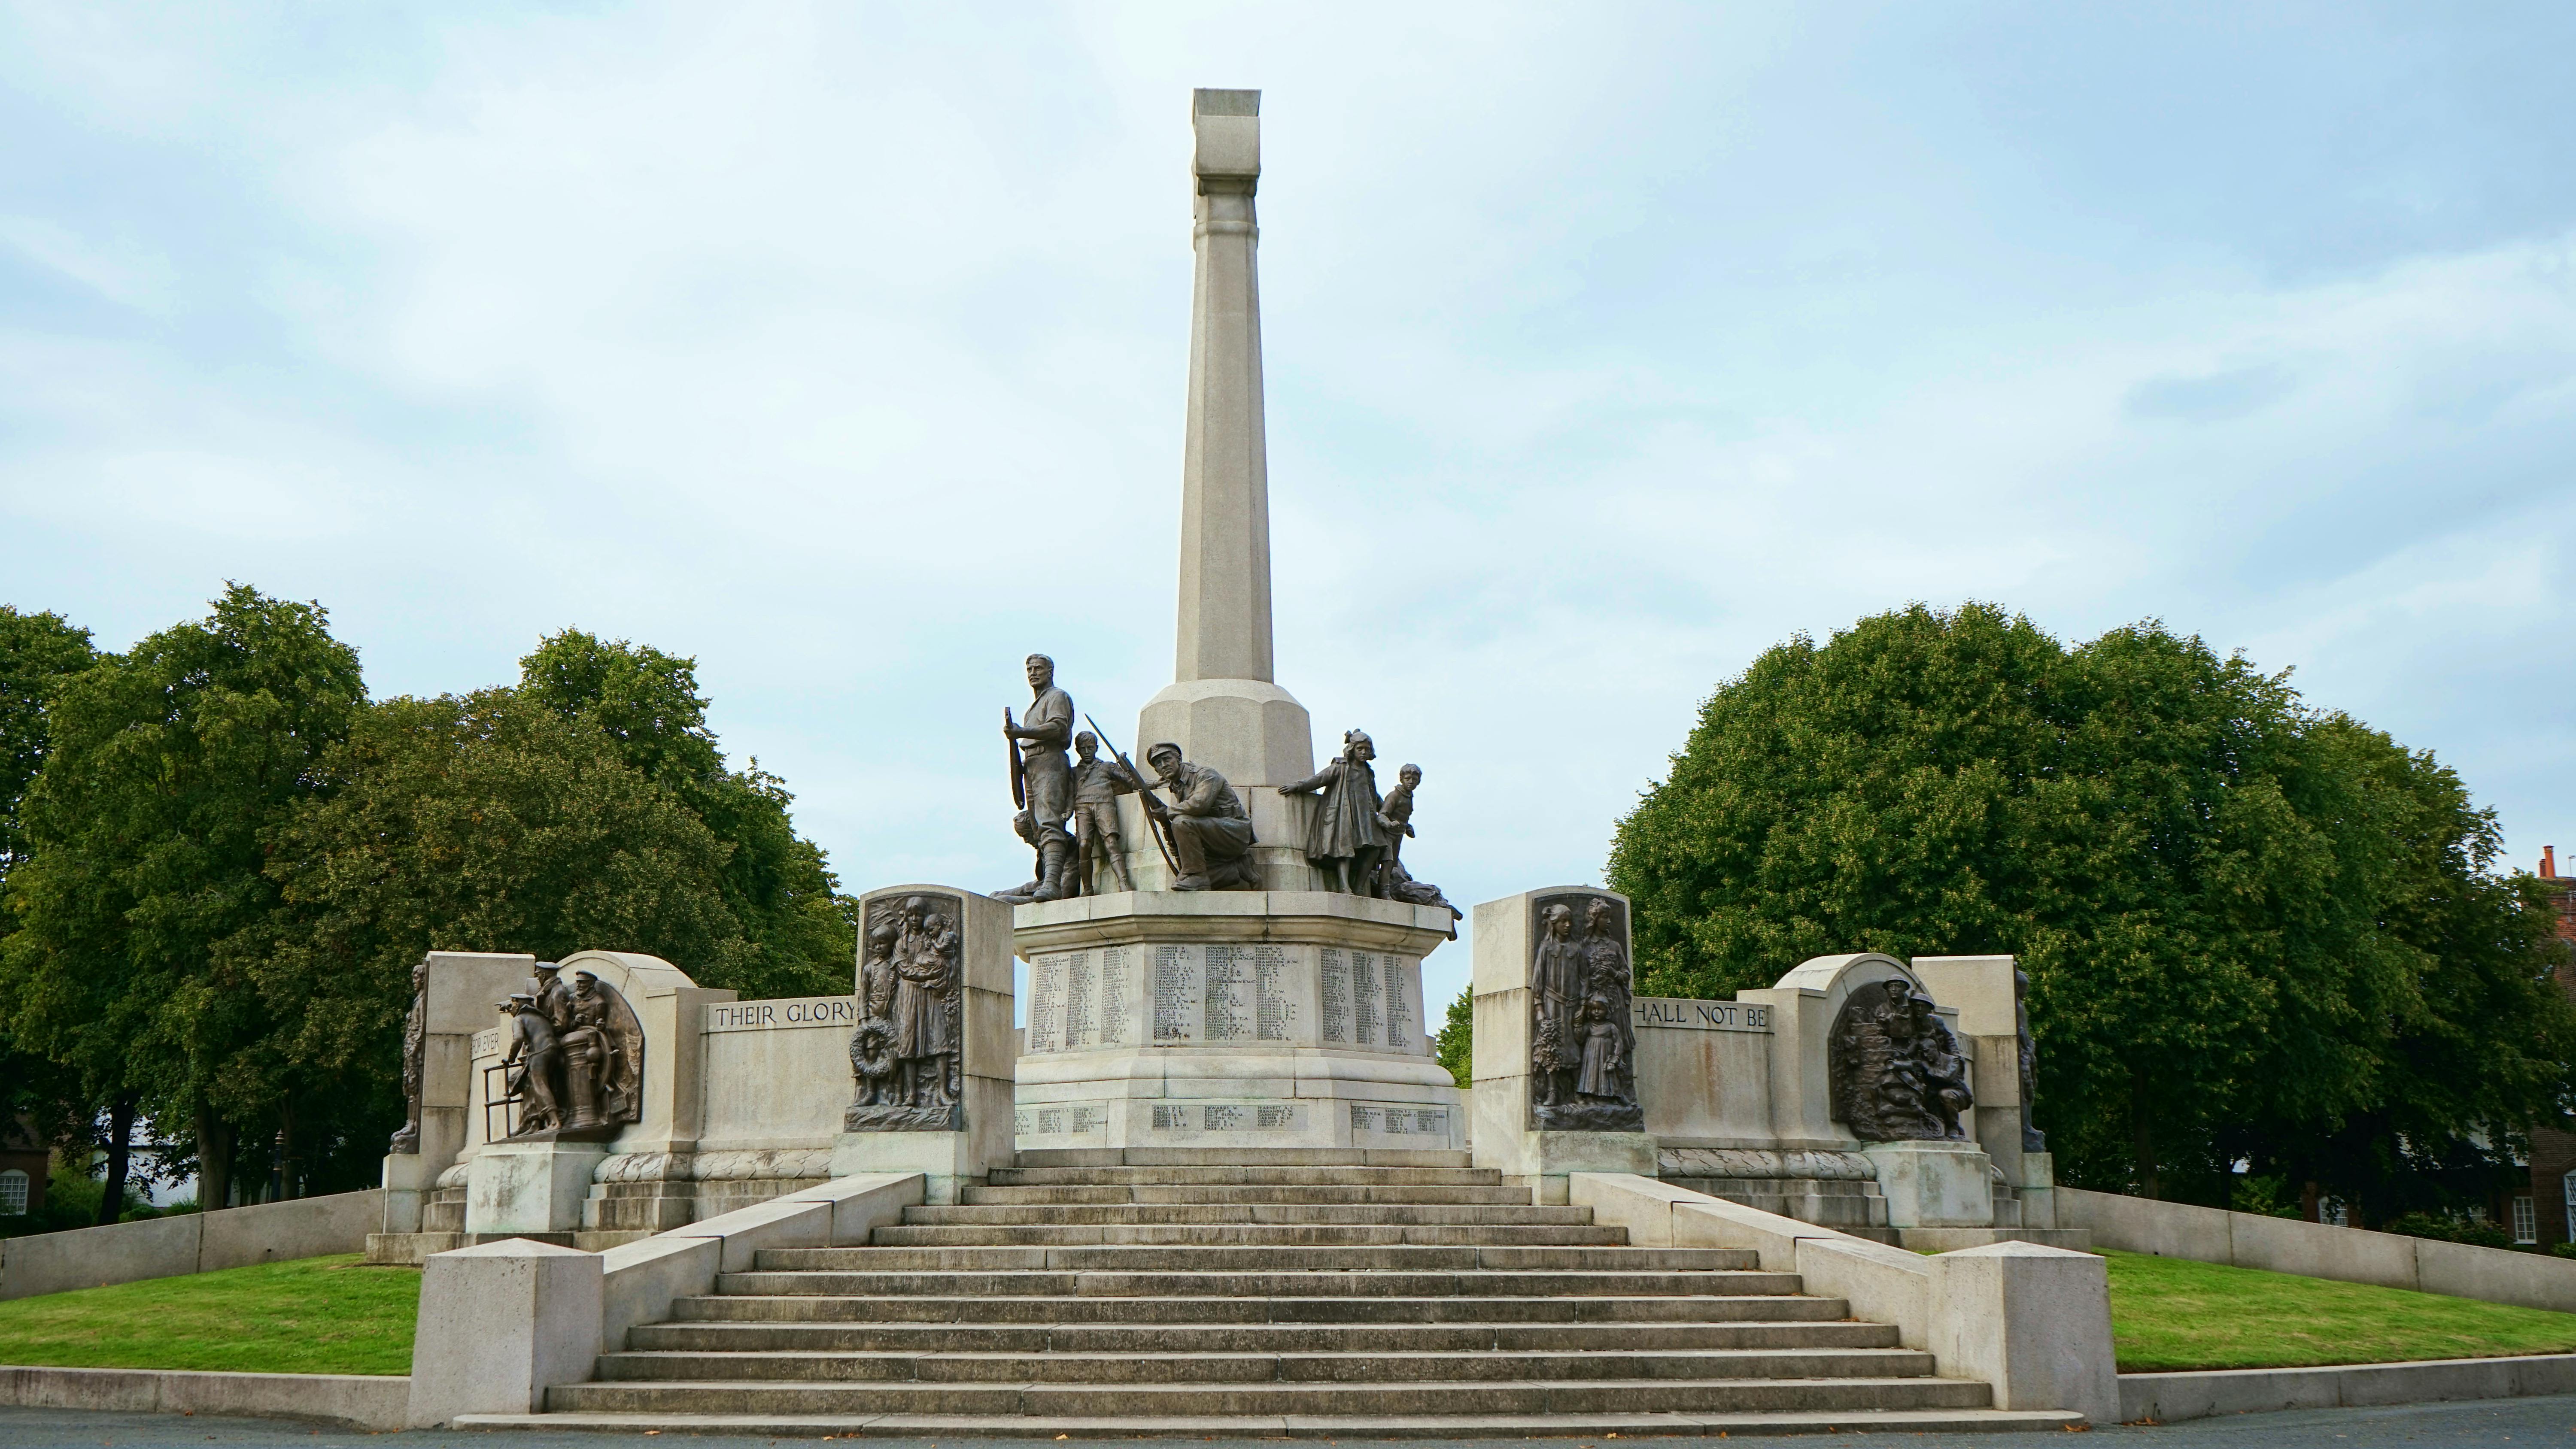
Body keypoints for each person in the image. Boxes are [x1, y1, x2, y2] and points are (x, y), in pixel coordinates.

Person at [1002, 654, 1078, 901]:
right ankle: (1047, 879)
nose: (1033, 673)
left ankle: (1053, 884)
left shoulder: (1058, 697)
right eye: (1029, 669)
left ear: (1050, 672)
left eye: (1038, 669)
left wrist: (1021, 732)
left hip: (1050, 761)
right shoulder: (1032, 708)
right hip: (1033, 765)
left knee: (1049, 822)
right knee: (1036, 826)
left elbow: (1058, 728)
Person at [1279, 729, 1386, 894]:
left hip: (1366, 817)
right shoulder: (1341, 767)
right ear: (1352, 749)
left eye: (1367, 749)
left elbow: (1374, 795)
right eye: (1360, 749)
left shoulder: (1368, 772)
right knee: (1345, 847)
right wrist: (1298, 786)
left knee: (1376, 849)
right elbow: (1319, 779)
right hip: (1346, 813)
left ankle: (1359, 886)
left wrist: (1386, 810)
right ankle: (1345, 886)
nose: (1364, 752)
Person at [1142, 743, 1256, 890]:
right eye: (1158, 763)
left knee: (1181, 823)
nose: (1163, 765)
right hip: (1212, 836)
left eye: (1167, 759)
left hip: (1234, 833)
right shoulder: (1177, 784)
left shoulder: (1205, 774)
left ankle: (1197, 877)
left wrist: (1168, 812)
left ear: (1179, 759)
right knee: (1182, 875)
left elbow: (1200, 805)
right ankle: (1239, 869)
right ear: (1157, 772)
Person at [1069, 731, 1137, 894]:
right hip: (1082, 807)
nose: (1087, 752)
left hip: (1104, 804)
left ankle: (1124, 883)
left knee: (1112, 844)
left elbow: (1132, 782)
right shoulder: (1073, 772)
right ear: (1078, 750)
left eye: (1090, 748)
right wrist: (1067, 811)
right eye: (1083, 749)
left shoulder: (1106, 766)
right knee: (1084, 845)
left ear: (1097, 748)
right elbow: (1068, 794)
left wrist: (1152, 783)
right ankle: (1087, 888)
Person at [499, 994, 563, 1134]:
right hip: (554, 1050)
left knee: (539, 1084)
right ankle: (533, 1123)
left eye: (512, 1004)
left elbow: (518, 1039)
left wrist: (511, 1058)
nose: (511, 1009)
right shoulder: (540, 1017)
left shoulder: (519, 1019)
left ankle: (555, 1121)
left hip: (539, 1053)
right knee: (531, 1083)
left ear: (519, 1004)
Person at [1576, 994, 1622, 1100]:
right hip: (1591, 1056)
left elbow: (1619, 1043)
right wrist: (1577, 1024)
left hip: (1606, 1056)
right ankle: (1589, 1095)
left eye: (1600, 1009)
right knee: (1591, 1074)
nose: (1596, 1012)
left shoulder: (1611, 1027)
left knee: (1606, 1075)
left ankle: (1607, 1096)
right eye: (1593, 1009)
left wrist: (1615, 1059)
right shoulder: (1589, 1026)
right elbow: (1579, 1038)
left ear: (1607, 1011)